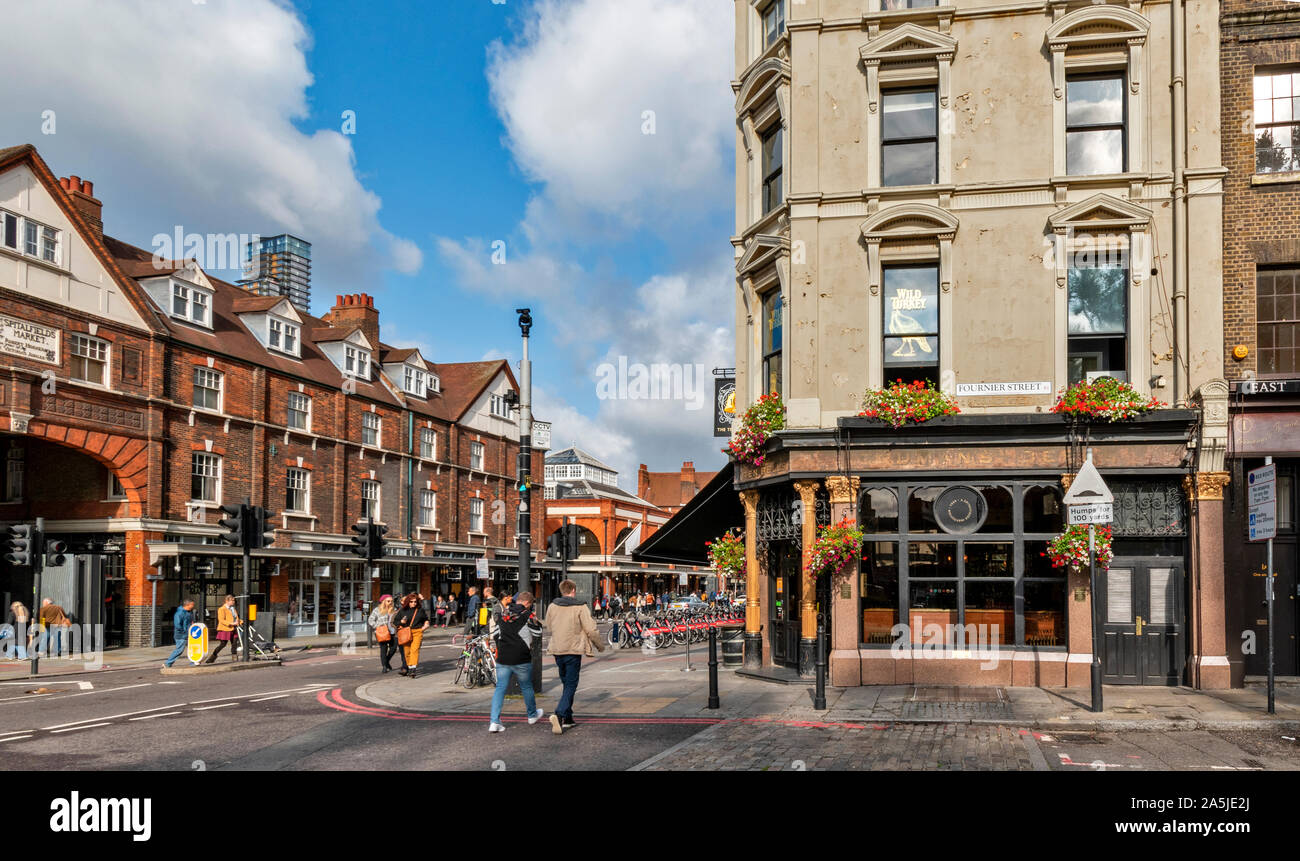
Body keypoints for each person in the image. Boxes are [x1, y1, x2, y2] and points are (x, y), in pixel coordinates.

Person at [543, 579, 605, 734]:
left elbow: (549, 626)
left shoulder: (552, 606)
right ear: (573, 591)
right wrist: (600, 646)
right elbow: (591, 629)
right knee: (571, 684)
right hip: (573, 650)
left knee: (566, 684)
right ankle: (559, 714)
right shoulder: (580, 606)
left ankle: (568, 718)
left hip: (557, 649)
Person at [487, 591, 544, 733]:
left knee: (500, 688)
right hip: (521, 658)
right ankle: (532, 715)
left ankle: (494, 721)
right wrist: (536, 622)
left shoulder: (504, 613)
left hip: (504, 658)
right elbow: (537, 634)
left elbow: (494, 634)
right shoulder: (528, 615)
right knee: (526, 687)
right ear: (527, 603)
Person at [393, 593, 429, 678]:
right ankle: (410, 667)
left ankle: (413, 669)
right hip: (406, 633)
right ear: (408, 602)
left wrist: (425, 626)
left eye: (415, 602)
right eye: (411, 602)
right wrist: (401, 622)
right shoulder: (402, 610)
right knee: (407, 652)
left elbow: (426, 619)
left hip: (417, 632)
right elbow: (395, 622)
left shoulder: (420, 610)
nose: (413, 603)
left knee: (414, 650)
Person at [204, 595, 241, 663]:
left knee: (234, 643)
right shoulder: (222, 609)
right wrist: (232, 623)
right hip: (225, 629)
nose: (233, 602)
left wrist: (240, 621)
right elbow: (221, 620)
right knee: (223, 644)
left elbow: (235, 618)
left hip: (234, 628)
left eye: (234, 600)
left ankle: (234, 657)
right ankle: (212, 657)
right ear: (227, 601)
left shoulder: (233, 608)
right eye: (232, 600)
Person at [368, 594, 399, 673]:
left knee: (394, 647)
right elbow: (370, 620)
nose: (390, 602)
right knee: (383, 649)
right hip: (382, 632)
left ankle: (387, 661)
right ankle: (384, 666)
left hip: (392, 632)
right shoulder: (377, 610)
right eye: (388, 601)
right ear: (384, 601)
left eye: (391, 601)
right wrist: (378, 627)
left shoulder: (394, 609)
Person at [163, 600, 196, 668]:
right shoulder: (179, 613)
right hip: (181, 635)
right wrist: (184, 632)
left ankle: (194, 661)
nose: (193, 606)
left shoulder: (189, 612)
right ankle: (168, 663)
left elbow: (190, 622)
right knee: (179, 650)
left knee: (192, 648)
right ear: (187, 605)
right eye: (192, 605)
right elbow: (177, 625)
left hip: (189, 634)